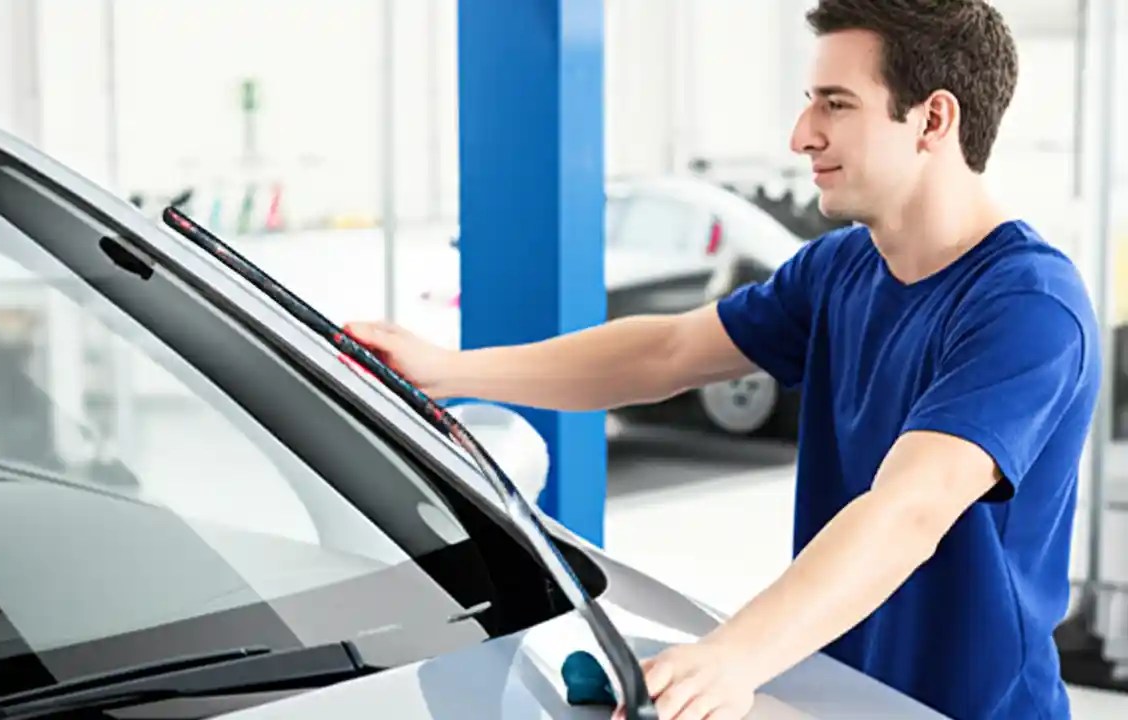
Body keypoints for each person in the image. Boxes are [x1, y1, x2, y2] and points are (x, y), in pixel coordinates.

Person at [345, 1, 1101, 718]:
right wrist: (448, 371)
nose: (802, 134)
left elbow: (909, 510)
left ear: (933, 119)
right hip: (832, 691)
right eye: (811, 101)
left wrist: (733, 658)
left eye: (836, 104)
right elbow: (667, 350)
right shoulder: (839, 270)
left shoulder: (1027, 308)